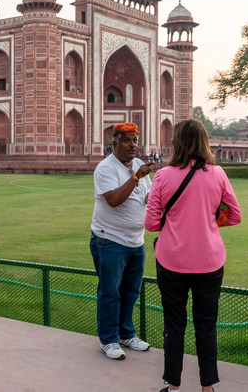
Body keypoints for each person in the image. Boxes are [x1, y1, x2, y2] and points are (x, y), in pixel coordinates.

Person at [145, 119, 242, 392]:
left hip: (172, 260)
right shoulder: (218, 173)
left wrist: (174, 221)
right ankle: (207, 387)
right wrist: (208, 221)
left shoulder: (163, 176)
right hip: (209, 261)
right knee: (206, 326)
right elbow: (234, 215)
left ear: (177, 142)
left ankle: (173, 386)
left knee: (174, 326)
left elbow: (152, 223)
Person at [90, 122, 154, 360]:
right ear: (114, 142)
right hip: (110, 241)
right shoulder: (105, 168)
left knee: (130, 292)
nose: (132, 145)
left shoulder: (137, 164)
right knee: (110, 292)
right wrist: (136, 177)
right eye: (126, 141)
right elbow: (114, 199)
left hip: (136, 240)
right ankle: (108, 339)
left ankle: (126, 334)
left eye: (135, 141)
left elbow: (143, 197)